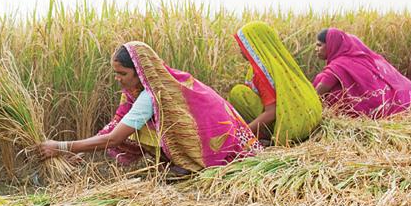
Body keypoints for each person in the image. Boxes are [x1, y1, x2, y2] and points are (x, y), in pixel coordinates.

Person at [37, 42, 261, 173]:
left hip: (224, 151)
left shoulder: (151, 95)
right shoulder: (165, 82)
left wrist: (62, 146)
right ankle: (180, 161)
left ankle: (191, 164)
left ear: (141, 72)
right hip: (225, 141)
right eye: (115, 73)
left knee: (140, 129)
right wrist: (80, 153)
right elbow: (115, 126)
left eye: (122, 74)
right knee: (137, 126)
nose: (117, 79)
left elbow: (114, 139)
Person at [228, 22, 323, 145]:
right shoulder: (279, 63)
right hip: (308, 121)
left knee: (238, 93)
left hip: (290, 128)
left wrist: (242, 134)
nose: (240, 49)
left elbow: (271, 112)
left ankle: (267, 137)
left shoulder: (262, 71)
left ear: (252, 46)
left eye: (242, 44)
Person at [312, 28, 411, 118]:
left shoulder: (338, 65)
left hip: (368, 108)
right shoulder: (356, 59)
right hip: (384, 103)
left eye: (319, 45)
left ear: (331, 45)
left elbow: (317, 94)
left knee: (325, 83)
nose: (316, 49)